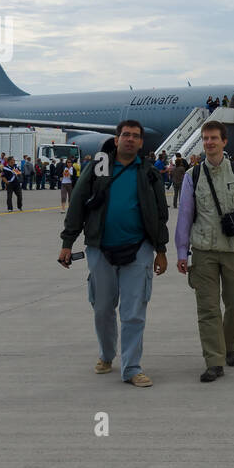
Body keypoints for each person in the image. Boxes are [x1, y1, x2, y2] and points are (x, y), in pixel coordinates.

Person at [59, 120, 169, 388]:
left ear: (142, 142)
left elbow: (160, 214)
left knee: (134, 313)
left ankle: (132, 367)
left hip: (138, 249)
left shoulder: (148, 172)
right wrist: (67, 241)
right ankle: (107, 355)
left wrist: (161, 249)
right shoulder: (98, 168)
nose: (130, 139)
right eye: (125, 135)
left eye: (135, 136)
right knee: (103, 309)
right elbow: (77, 203)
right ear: (117, 139)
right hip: (100, 249)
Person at [176, 120, 234, 382]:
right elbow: (184, 216)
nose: (209, 142)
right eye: (205, 138)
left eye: (214, 138)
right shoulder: (191, 176)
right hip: (204, 251)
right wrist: (182, 252)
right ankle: (214, 361)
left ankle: (230, 346)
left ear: (224, 141)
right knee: (207, 308)